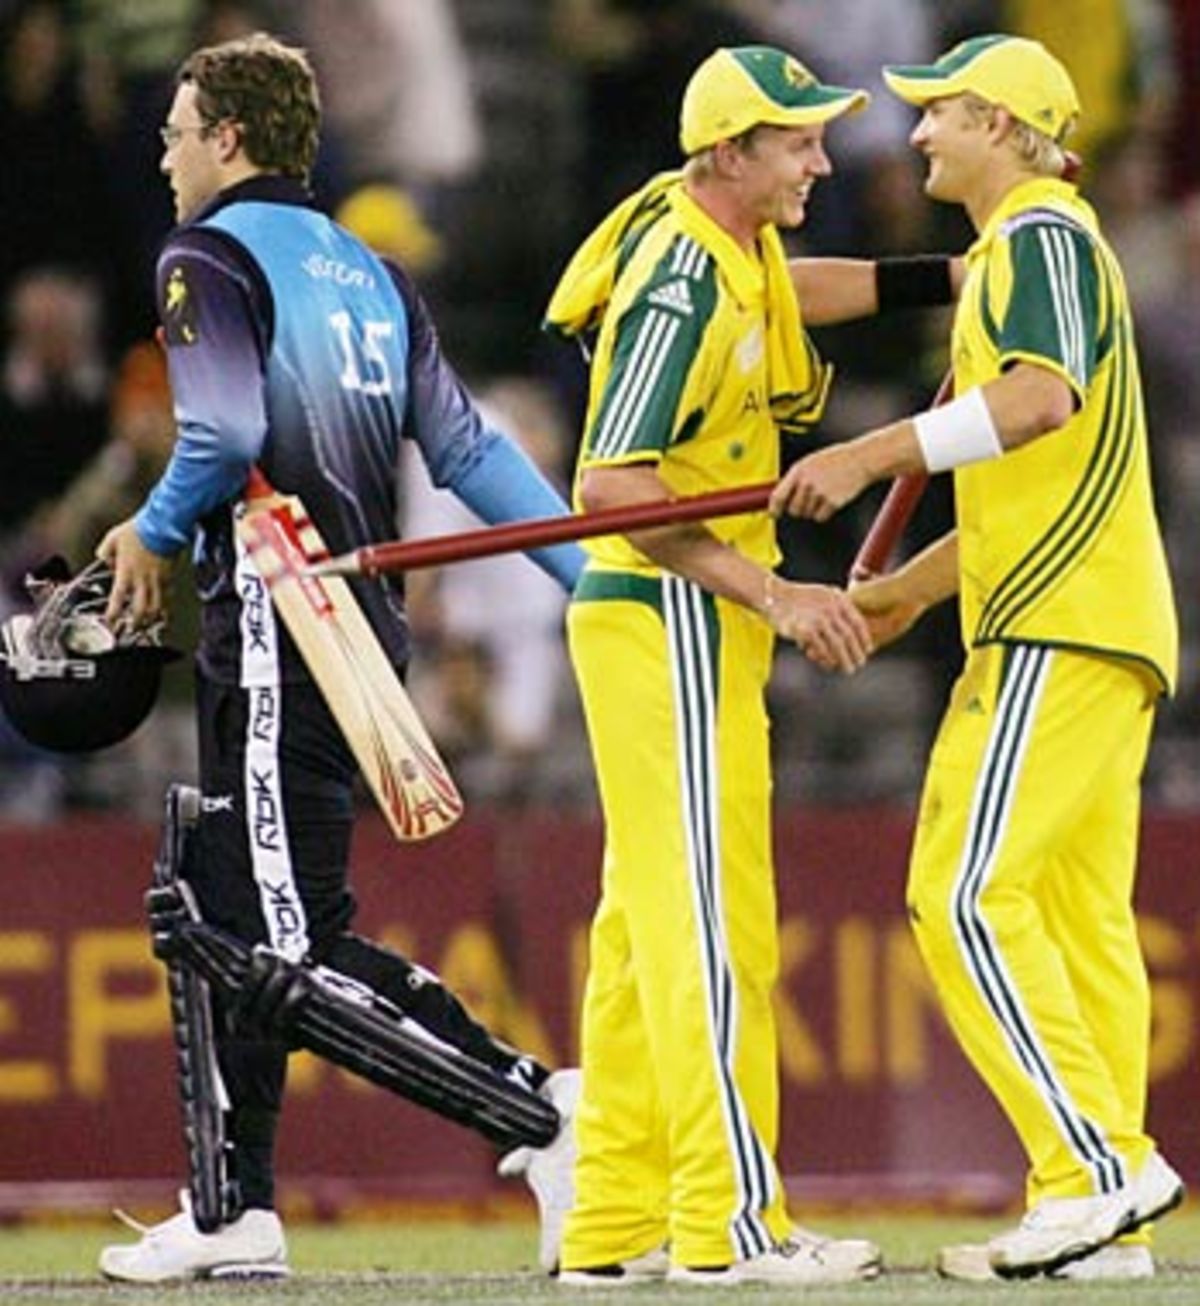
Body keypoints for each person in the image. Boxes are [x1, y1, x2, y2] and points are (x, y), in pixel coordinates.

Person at [93, 33, 584, 1282]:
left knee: (280, 944)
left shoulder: (205, 253)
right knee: (212, 901)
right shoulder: (370, 271)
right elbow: (470, 455)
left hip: (272, 617)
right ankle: (231, 1207)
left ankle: (541, 1112)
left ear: (232, 139)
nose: (165, 147)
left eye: (181, 125)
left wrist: (150, 531)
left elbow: (227, 432)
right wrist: (590, 574)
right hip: (357, 627)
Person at [544, 44, 965, 1286]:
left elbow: (799, 288)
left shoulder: (728, 247)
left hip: (669, 620)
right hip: (670, 610)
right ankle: (734, 1227)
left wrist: (944, 275)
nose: (823, 161)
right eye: (799, 143)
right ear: (731, 153)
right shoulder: (683, 278)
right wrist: (775, 591)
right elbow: (613, 486)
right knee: (715, 930)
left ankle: (614, 1229)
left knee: (641, 933)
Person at [771, 34, 1184, 1281]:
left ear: (1006, 126)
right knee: (1075, 925)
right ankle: (1100, 1212)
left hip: (1057, 628)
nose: (915, 137)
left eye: (940, 114)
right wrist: (903, 589)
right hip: (1091, 621)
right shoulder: (1038, 250)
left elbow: (1039, 403)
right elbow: (1043, 473)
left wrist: (864, 456)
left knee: (963, 897)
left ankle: (1101, 1171)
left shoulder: (1040, 240)